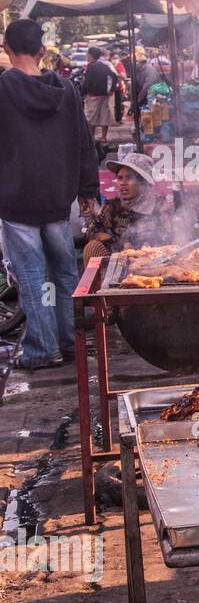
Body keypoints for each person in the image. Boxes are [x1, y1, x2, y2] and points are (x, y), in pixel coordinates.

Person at [0, 19, 99, 370]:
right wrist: (88, 188)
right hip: (58, 199)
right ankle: (69, 341)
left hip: (18, 201)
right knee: (64, 273)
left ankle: (43, 348)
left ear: (8, 48)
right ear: (42, 50)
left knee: (33, 276)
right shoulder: (67, 90)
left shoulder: (3, 88)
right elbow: (83, 141)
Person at [83, 153, 171, 261]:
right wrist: (121, 244)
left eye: (128, 178)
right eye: (120, 178)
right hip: (120, 260)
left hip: (154, 260)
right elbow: (92, 232)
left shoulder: (160, 206)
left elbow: (170, 239)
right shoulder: (113, 206)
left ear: (143, 182)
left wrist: (144, 251)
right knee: (92, 247)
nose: (122, 183)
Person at [81, 47, 115, 143]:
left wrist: (82, 94)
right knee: (104, 116)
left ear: (90, 55)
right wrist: (111, 89)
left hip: (93, 96)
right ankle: (104, 137)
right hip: (104, 95)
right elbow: (114, 76)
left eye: (87, 54)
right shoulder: (103, 65)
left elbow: (86, 82)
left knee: (92, 117)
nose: (86, 56)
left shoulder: (90, 66)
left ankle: (91, 137)